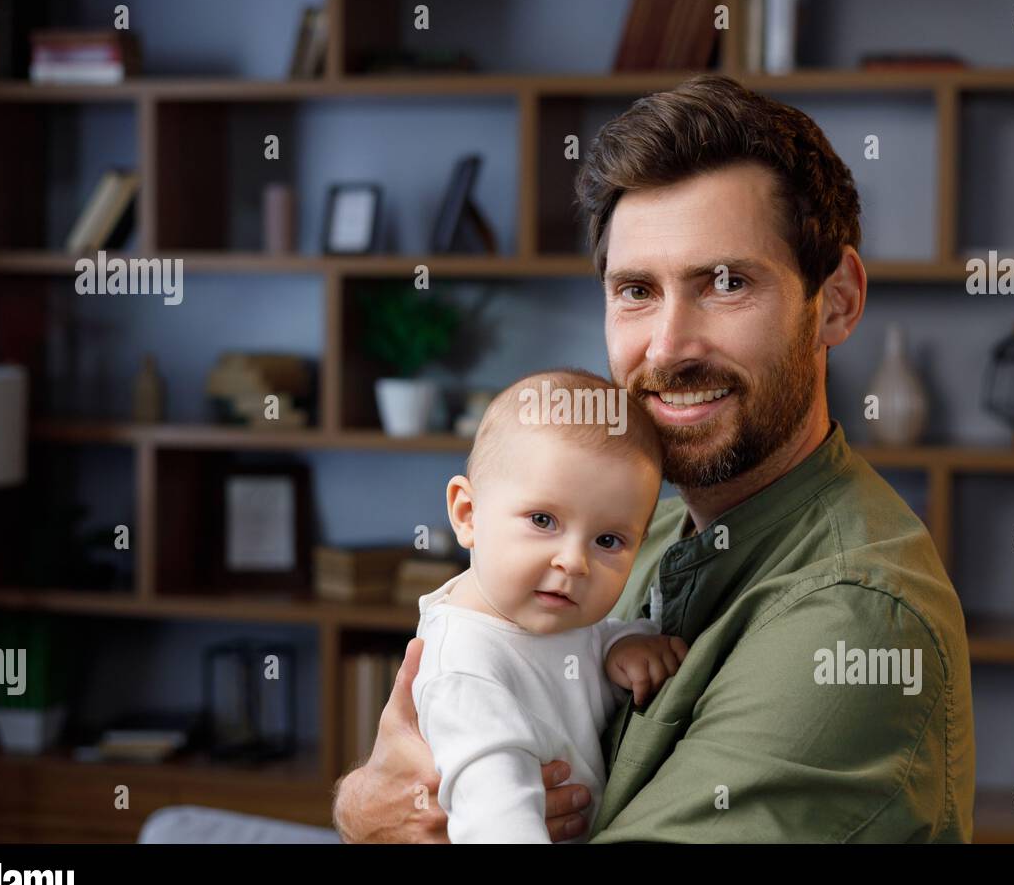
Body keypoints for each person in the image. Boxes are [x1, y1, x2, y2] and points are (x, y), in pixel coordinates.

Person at [333, 73, 974, 843]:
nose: (668, 347)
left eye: (726, 283)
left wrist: (383, 817)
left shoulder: (855, 621)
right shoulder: (635, 540)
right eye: (636, 290)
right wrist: (366, 804)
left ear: (835, 300)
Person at [413, 368, 688, 842]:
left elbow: (588, 641)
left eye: (608, 540)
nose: (574, 562)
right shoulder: (466, 667)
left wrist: (621, 647)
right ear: (467, 514)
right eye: (543, 520)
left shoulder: (553, 617)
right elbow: (495, 821)